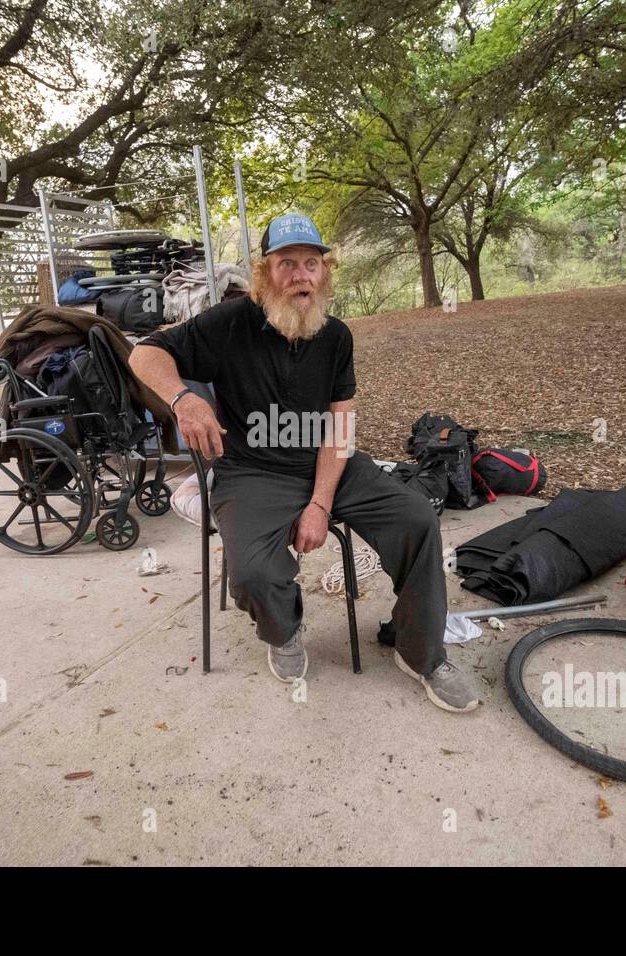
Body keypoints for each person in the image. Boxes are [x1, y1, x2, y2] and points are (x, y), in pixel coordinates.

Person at [129, 213, 479, 712]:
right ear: (265, 272)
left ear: (324, 273)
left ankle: (421, 651)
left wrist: (320, 503)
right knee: (251, 573)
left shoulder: (335, 336)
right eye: (286, 263)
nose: (300, 275)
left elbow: (339, 428)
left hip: (327, 461)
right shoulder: (229, 324)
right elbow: (145, 354)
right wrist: (184, 399)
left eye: (311, 264)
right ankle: (285, 628)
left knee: (416, 519)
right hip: (251, 470)